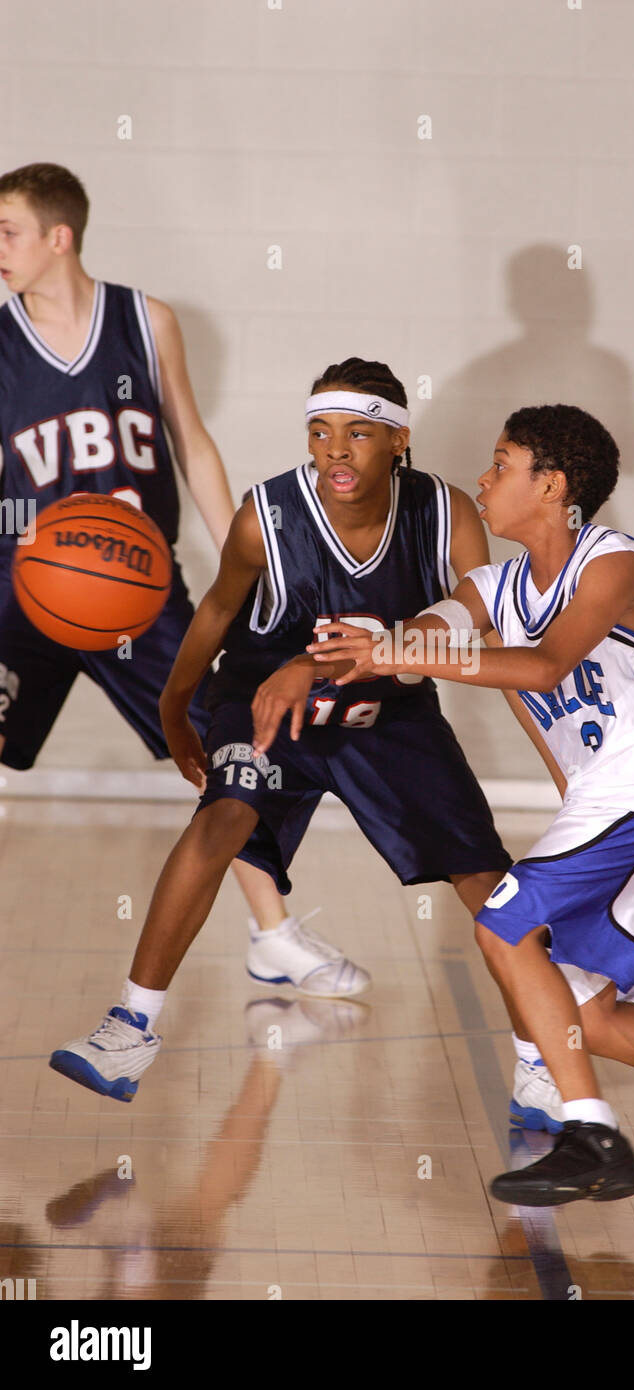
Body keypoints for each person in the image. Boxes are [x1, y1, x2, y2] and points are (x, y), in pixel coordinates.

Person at [312, 404, 634, 1212]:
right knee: (588, 1014)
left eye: (500, 464)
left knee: (502, 920)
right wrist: (386, 641)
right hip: (619, 795)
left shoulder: (615, 565)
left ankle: (592, 1135)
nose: (483, 481)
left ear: (552, 485)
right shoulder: (493, 586)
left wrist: (402, 653)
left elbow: (544, 667)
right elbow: (441, 631)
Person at [48, 357, 512, 1102]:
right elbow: (217, 613)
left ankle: (545, 1057)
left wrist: (323, 664)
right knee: (224, 816)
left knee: (486, 876)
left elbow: (471, 621)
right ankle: (129, 1030)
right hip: (268, 705)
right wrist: (176, 708)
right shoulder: (264, 516)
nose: (335, 449)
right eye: (320, 432)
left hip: (387, 715)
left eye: (358, 433)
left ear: (399, 440)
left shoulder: (445, 512)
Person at [0, 162, 362, 994]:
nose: (0, 250)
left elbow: (192, 442)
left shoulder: (144, 319)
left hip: (136, 588)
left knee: (216, 746)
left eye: (9, 232)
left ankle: (270, 934)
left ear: (61, 236)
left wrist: (249, 559)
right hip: (29, 584)